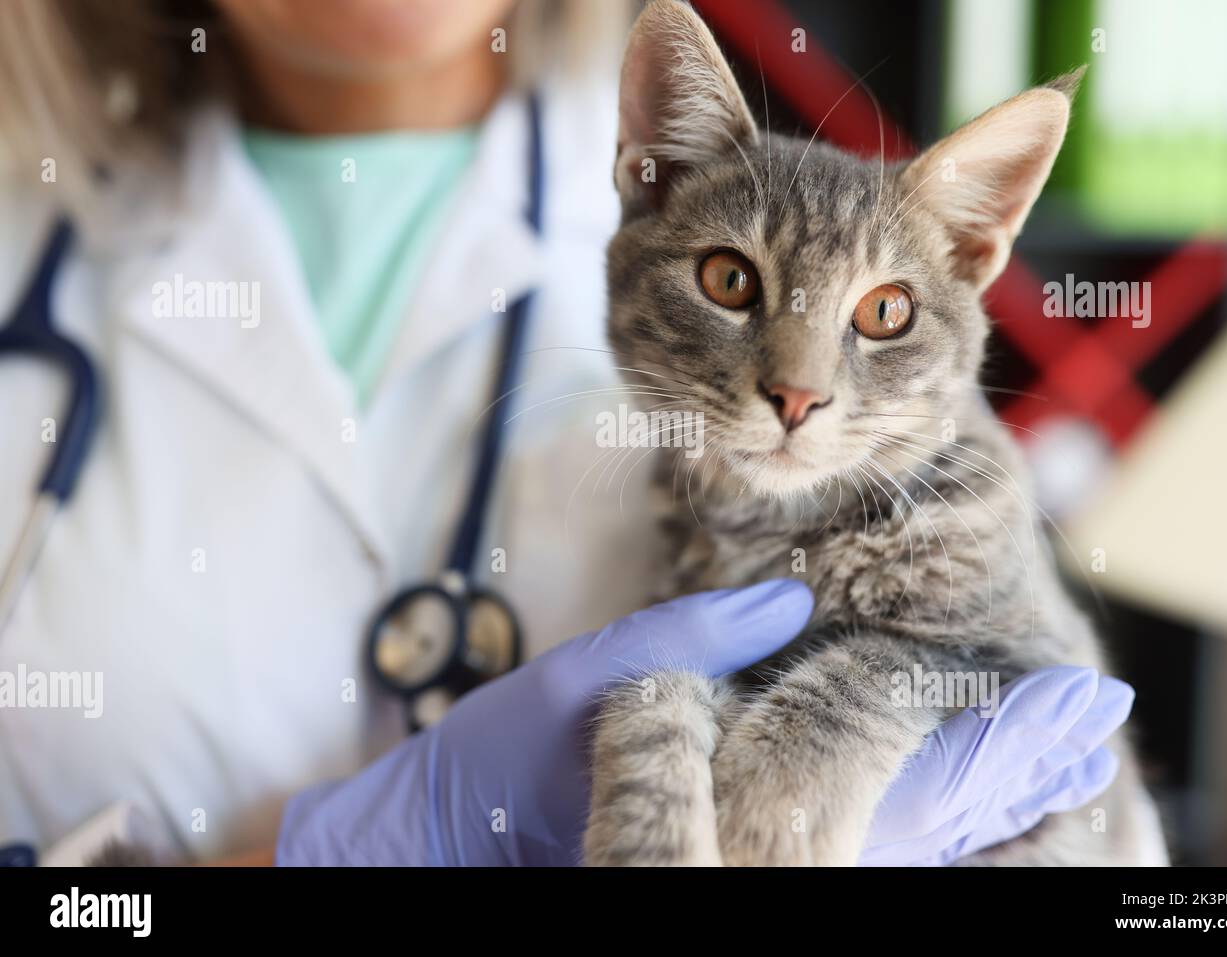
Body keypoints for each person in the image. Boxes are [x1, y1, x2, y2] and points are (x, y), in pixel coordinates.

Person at [0, 0, 1129, 866]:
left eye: (876, 316)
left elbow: (1076, 777)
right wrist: (355, 847)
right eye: (733, 281)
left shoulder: (874, 333)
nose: (799, 388)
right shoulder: (21, 232)